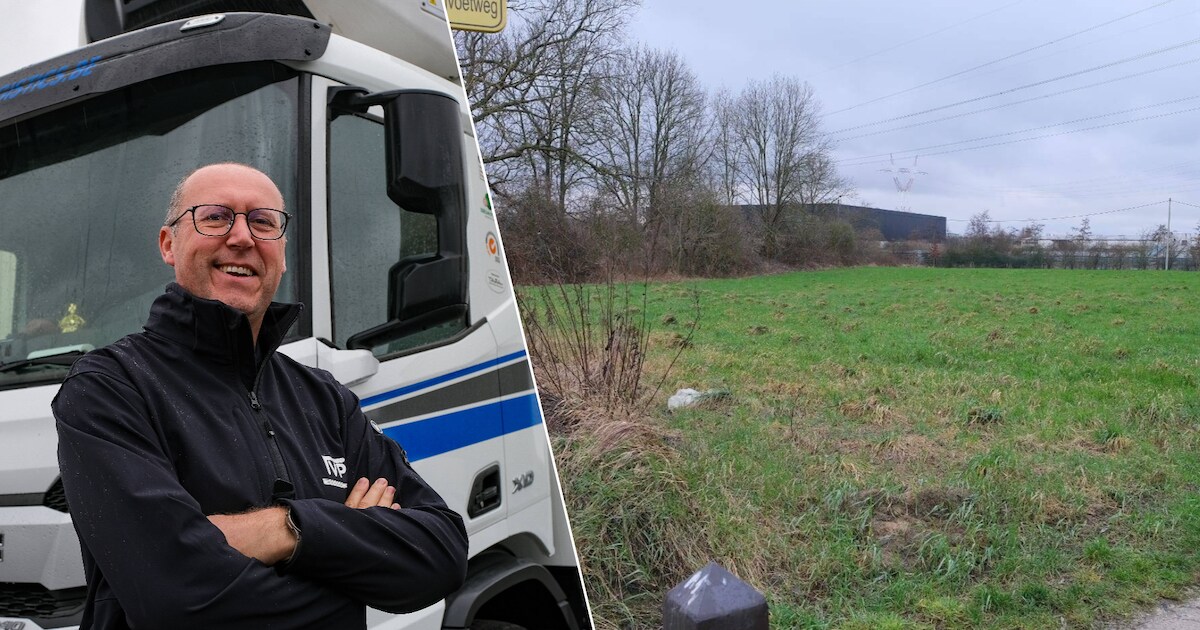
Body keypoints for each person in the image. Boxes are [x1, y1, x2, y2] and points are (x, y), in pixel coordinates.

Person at [52, 163, 468, 629]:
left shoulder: (325, 399)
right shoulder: (110, 387)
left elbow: (443, 553)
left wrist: (284, 530)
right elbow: (176, 599)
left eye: (263, 222)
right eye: (215, 217)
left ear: (281, 254)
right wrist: (349, 560)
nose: (242, 237)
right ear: (169, 244)